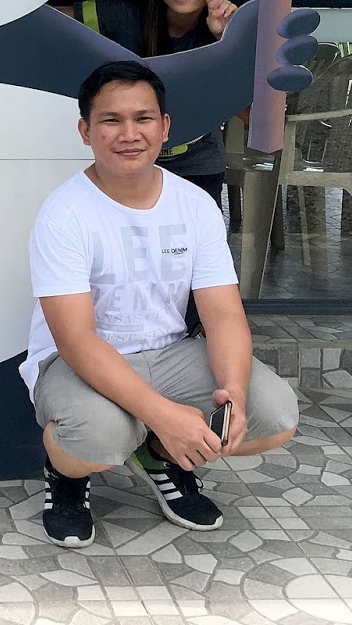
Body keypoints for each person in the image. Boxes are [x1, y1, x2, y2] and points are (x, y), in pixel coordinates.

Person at [24, 60, 299, 548]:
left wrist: (233, 395)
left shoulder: (195, 204)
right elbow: (77, 340)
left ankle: (159, 456)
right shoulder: (64, 214)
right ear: (85, 131)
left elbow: (223, 315)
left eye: (143, 118)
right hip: (82, 360)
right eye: (111, 120)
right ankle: (64, 477)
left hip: (171, 353)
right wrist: (166, 417)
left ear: (165, 127)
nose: (129, 134)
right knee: (97, 436)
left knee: (273, 415)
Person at [74, 0, 238, 203]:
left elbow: (253, 116)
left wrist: (225, 40)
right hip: (124, 160)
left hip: (197, 165)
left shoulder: (234, 28)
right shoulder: (124, 12)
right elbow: (51, 27)